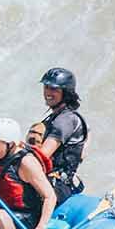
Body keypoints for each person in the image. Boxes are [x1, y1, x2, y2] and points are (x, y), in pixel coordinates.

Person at [37, 67, 88, 203]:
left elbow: (42, 156)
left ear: (66, 93)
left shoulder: (65, 120)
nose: (47, 92)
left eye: (54, 89)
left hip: (58, 185)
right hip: (49, 179)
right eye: (46, 87)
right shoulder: (56, 118)